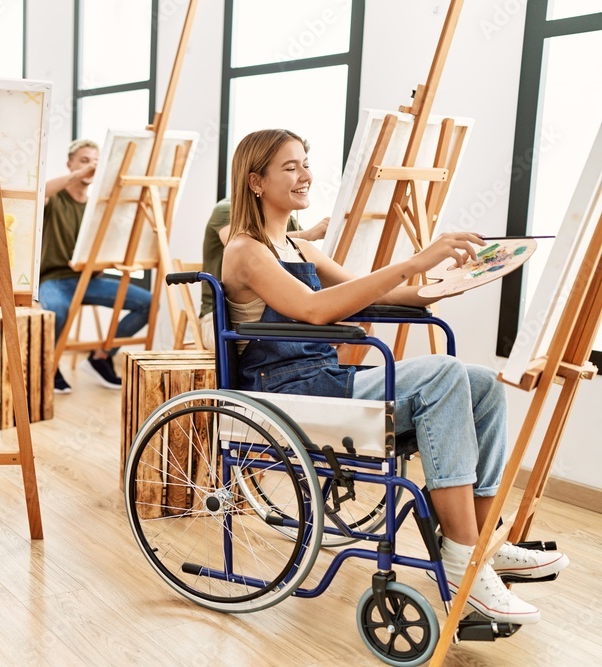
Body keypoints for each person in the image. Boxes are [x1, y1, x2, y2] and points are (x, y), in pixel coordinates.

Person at [221, 128, 568, 625]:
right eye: (290, 167)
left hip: (323, 378)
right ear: (256, 182)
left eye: (305, 163)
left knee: (484, 384)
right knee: (443, 374)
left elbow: (375, 295)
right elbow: (316, 309)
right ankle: (462, 558)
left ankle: (481, 545)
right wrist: (413, 261)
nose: (305, 175)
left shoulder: (299, 248)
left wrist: (449, 280)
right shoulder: (246, 250)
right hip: (285, 390)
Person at [38, 139, 152, 393]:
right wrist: (80, 174)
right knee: (56, 310)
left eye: (96, 162)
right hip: (54, 280)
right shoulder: (54, 199)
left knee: (149, 303)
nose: (91, 166)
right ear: (70, 164)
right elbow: (39, 192)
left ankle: (100, 357)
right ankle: (49, 366)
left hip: (89, 280)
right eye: (84, 160)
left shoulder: (96, 206)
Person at [199, 196, 329, 349]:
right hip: (222, 319)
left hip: (281, 319)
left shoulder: (289, 223)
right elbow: (235, 241)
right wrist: (307, 234)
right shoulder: (226, 210)